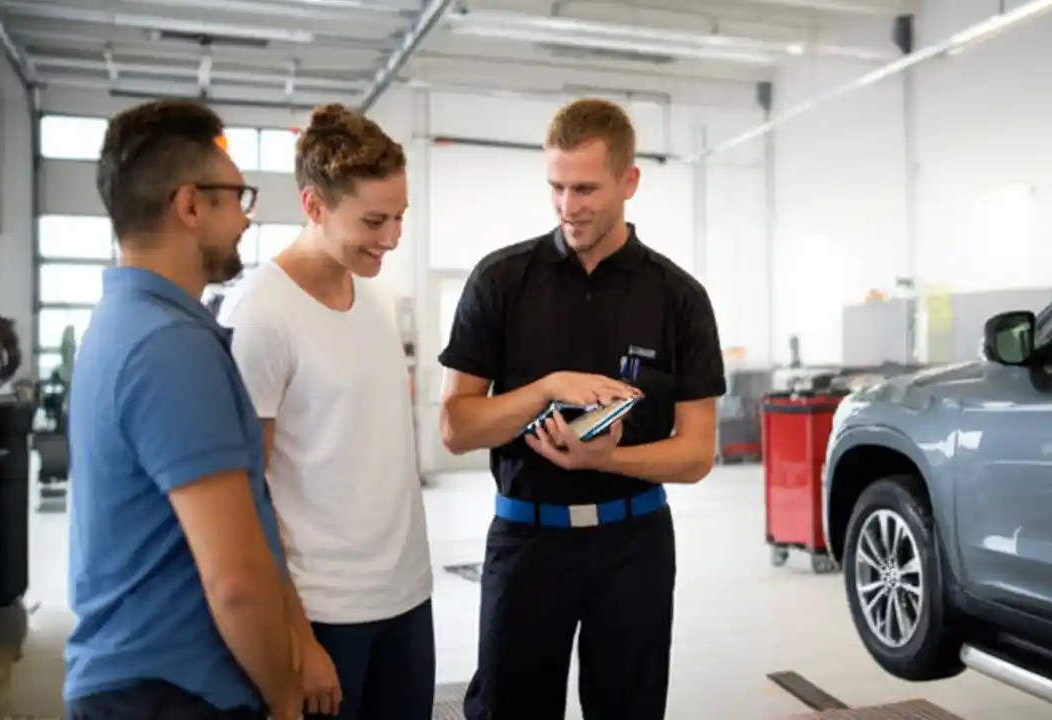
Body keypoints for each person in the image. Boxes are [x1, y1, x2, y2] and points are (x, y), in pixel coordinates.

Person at [439, 97, 727, 719]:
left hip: (635, 545)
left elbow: (698, 453)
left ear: (630, 181)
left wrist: (606, 459)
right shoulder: (500, 282)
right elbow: (457, 427)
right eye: (557, 187)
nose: (569, 207)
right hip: (526, 541)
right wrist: (546, 389)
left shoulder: (678, 298)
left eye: (587, 188)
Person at [64, 99, 303, 719]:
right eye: (237, 197)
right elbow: (236, 581)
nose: (247, 220)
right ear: (191, 204)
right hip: (173, 691)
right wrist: (283, 698)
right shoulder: (170, 347)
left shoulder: (121, 324)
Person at [217, 103, 435, 720]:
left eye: (399, 217)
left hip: (406, 597)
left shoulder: (375, 292)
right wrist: (297, 638)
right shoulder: (260, 314)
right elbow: (244, 494)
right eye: (373, 220)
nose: (391, 238)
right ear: (314, 206)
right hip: (322, 613)